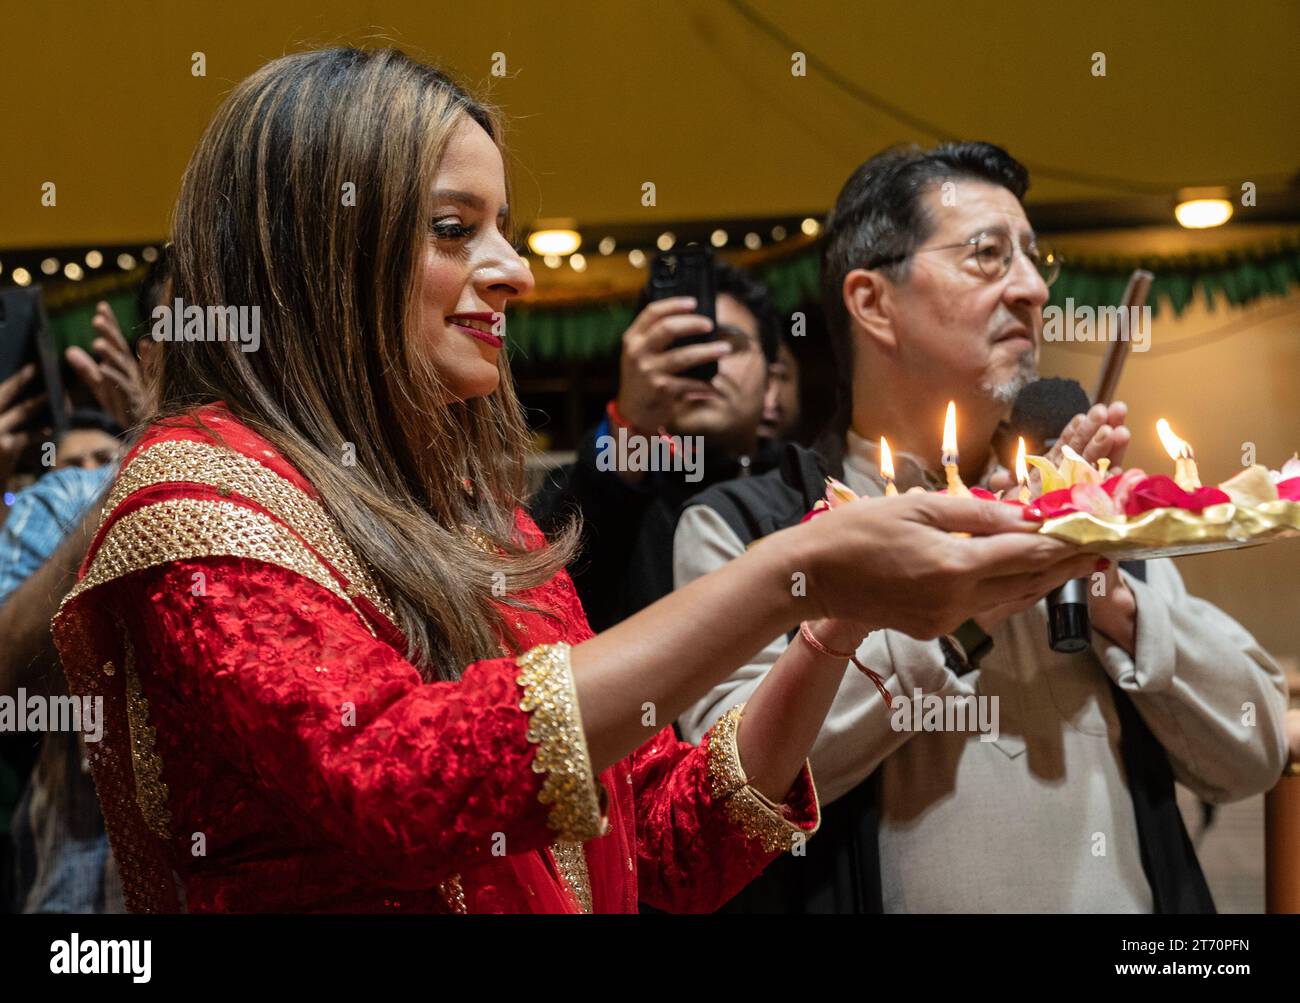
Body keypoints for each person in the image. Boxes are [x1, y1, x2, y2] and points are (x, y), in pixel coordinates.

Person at [50, 50, 1095, 914]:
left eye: (501, 227)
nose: (515, 270)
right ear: (318, 250)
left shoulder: (476, 519)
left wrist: (829, 628)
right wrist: (792, 572)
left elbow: (660, 844)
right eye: (454, 229)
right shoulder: (198, 497)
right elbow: (403, 783)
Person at [674, 141, 1290, 914]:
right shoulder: (751, 529)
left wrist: (1110, 597)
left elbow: (1254, 750)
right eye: (988, 256)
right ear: (872, 301)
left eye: (1034, 258)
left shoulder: (1086, 506)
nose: (1032, 288)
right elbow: (729, 798)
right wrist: (966, 604)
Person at [531, 259, 783, 631]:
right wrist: (632, 424)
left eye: (728, 343)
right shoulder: (605, 486)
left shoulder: (806, 488)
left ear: (772, 386)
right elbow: (553, 585)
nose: (704, 358)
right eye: (680, 343)